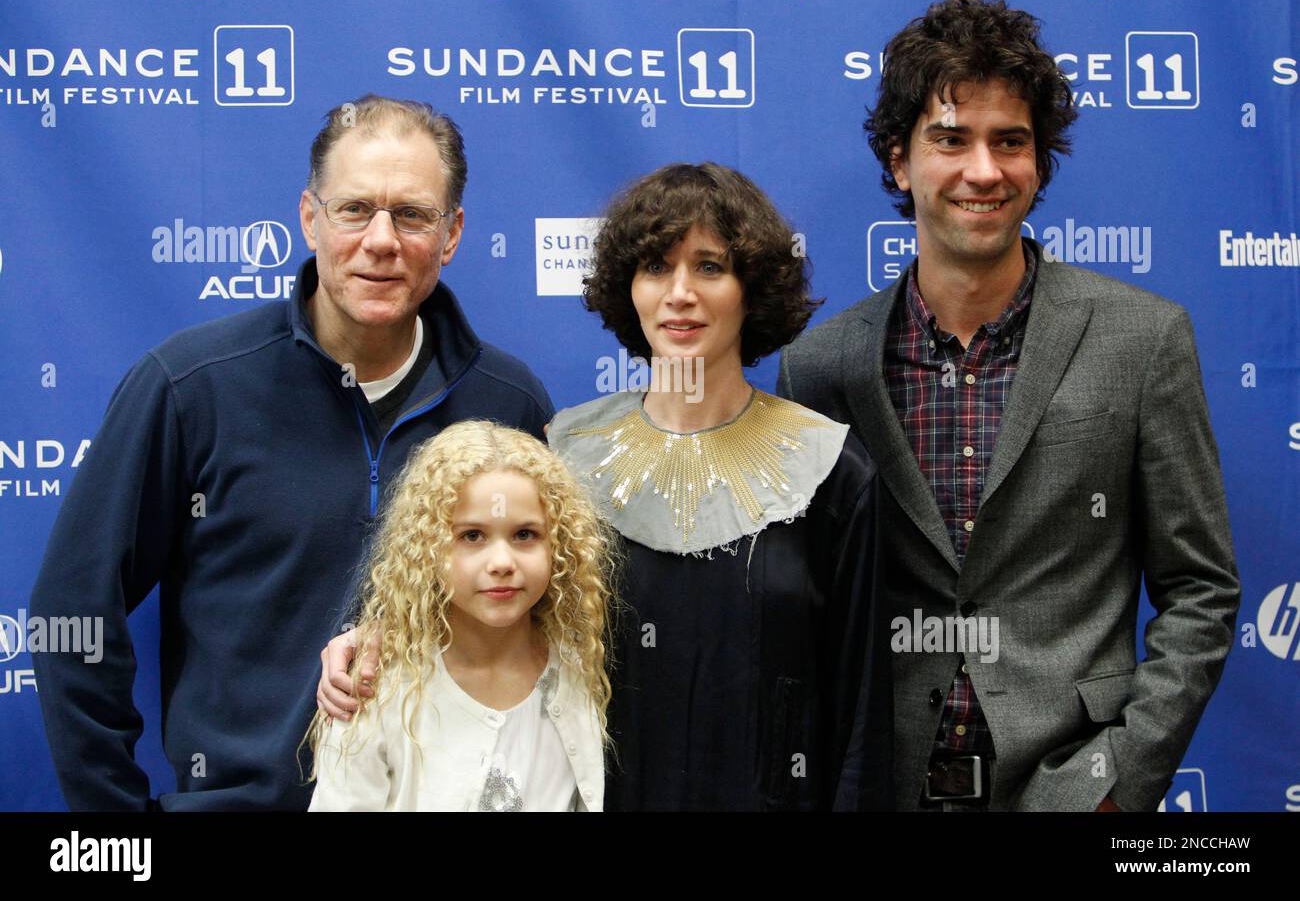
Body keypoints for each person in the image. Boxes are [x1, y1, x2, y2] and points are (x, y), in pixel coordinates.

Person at [778, 0, 1240, 811]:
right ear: (900, 160)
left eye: (1010, 142)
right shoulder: (822, 365)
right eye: (951, 139)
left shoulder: (1143, 338)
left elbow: (1200, 590)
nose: (984, 170)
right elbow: (807, 611)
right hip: (884, 786)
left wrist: (1115, 783)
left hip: (1070, 785)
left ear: (1039, 162)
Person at [29, 95, 554, 811]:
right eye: (354, 209)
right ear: (309, 218)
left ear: (452, 232)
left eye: (411, 215)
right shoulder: (190, 388)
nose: (380, 239)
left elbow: (559, 629)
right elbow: (72, 612)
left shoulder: (509, 404)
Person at [323, 163, 892, 811]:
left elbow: (863, 723)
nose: (680, 293)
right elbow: (471, 607)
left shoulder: (832, 471)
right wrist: (366, 639)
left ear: (751, 289)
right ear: (630, 288)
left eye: (710, 267)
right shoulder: (562, 458)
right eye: (656, 267)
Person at [307, 421, 612, 811]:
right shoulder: (374, 686)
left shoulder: (577, 665)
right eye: (472, 536)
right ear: (425, 548)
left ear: (561, 545)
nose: (501, 562)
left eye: (524, 535)